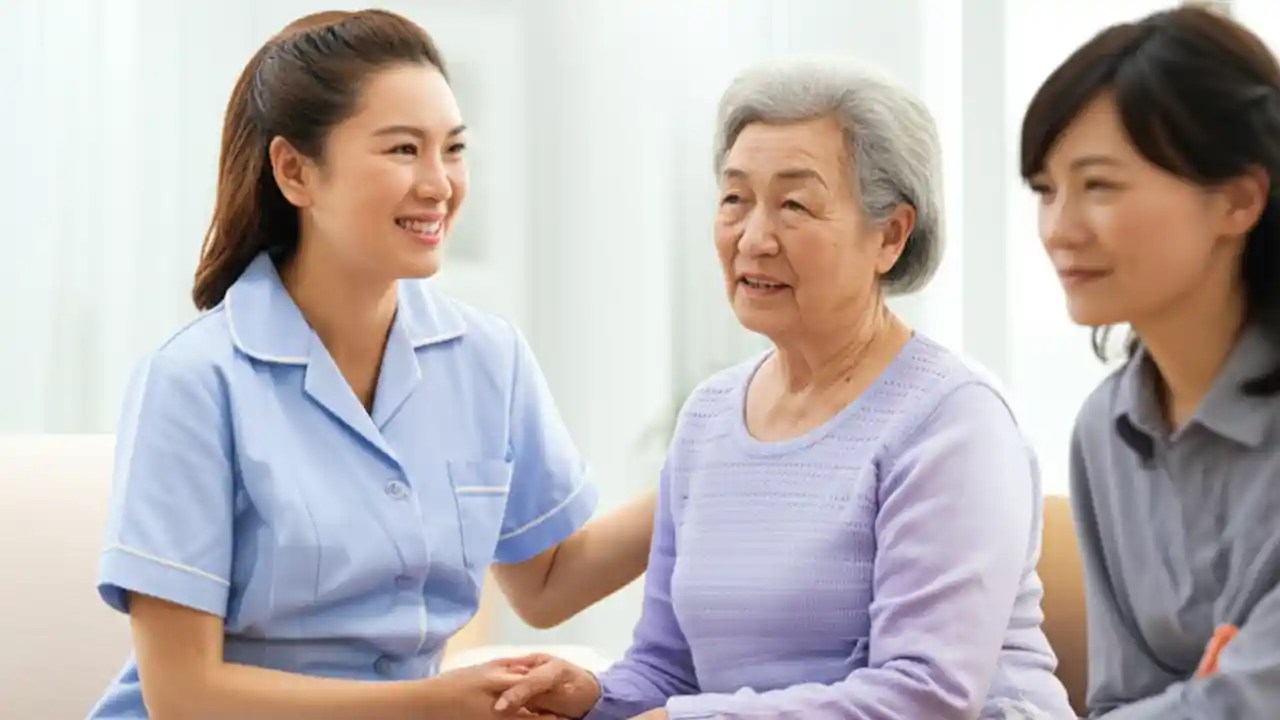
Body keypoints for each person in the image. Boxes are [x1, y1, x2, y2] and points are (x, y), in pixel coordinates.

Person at [88, 10, 654, 719]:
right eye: (402, 150)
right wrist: (425, 705)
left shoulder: (488, 358)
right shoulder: (196, 381)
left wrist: (707, 465)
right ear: (295, 171)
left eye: (452, 149)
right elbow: (184, 695)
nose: (440, 184)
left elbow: (545, 581)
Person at [491, 57, 1075, 720]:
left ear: (890, 235)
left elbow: (924, 695)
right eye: (735, 198)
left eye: (794, 205)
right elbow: (668, 668)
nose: (753, 238)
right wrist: (592, 696)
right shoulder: (710, 416)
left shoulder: (953, 422)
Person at [1021, 6, 1280, 718]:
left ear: (1237, 199)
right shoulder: (1106, 430)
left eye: (1099, 185)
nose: (1059, 229)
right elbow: (1122, 699)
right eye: (1046, 190)